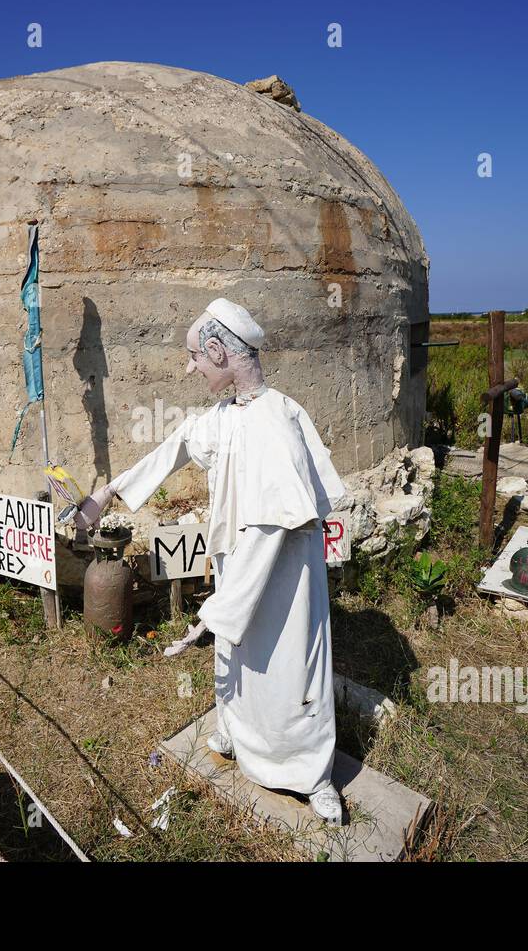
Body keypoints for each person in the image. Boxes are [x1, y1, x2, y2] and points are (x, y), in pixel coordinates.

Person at [74, 298, 347, 824]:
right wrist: (106, 493)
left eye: (196, 358)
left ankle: (311, 774)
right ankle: (242, 736)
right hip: (236, 575)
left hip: (282, 581)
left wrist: (217, 611)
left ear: (219, 351)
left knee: (290, 670)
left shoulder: (278, 419)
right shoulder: (223, 418)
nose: (191, 368)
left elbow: (273, 528)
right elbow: (174, 447)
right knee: (239, 666)